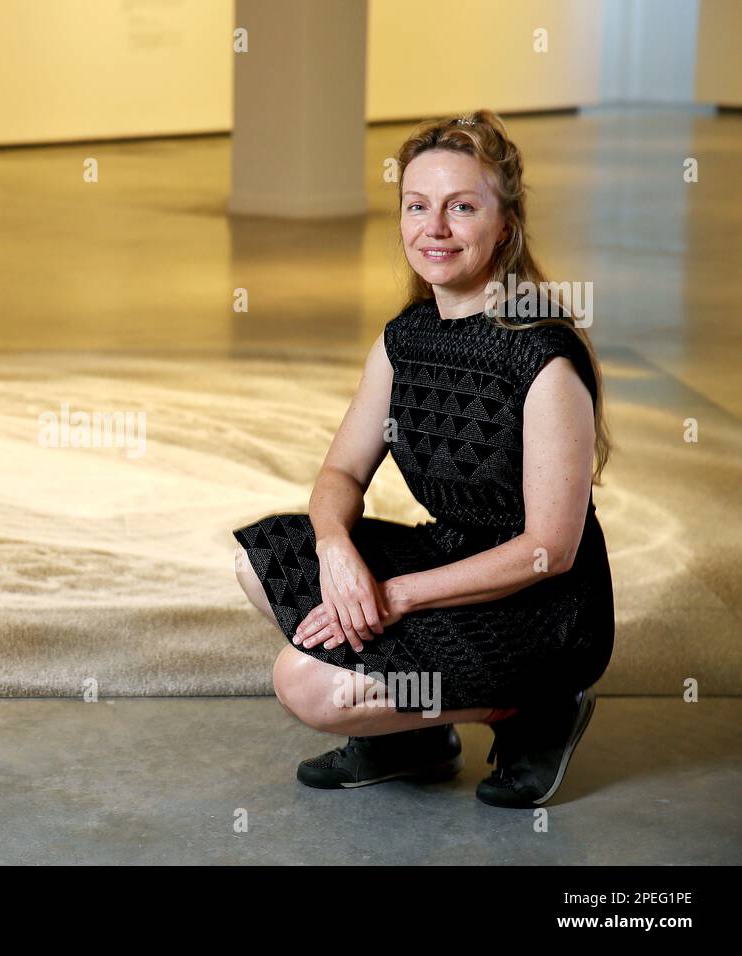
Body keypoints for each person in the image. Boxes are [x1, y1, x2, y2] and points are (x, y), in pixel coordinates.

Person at [233, 110, 615, 809]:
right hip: (449, 556)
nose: (433, 228)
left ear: (505, 224)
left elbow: (549, 552)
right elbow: (341, 475)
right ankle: (416, 737)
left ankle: (534, 712)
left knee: (307, 681)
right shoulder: (405, 340)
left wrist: (395, 595)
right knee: (262, 562)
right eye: (417, 206)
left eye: (460, 207)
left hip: (543, 610)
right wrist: (334, 550)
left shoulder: (542, 358)